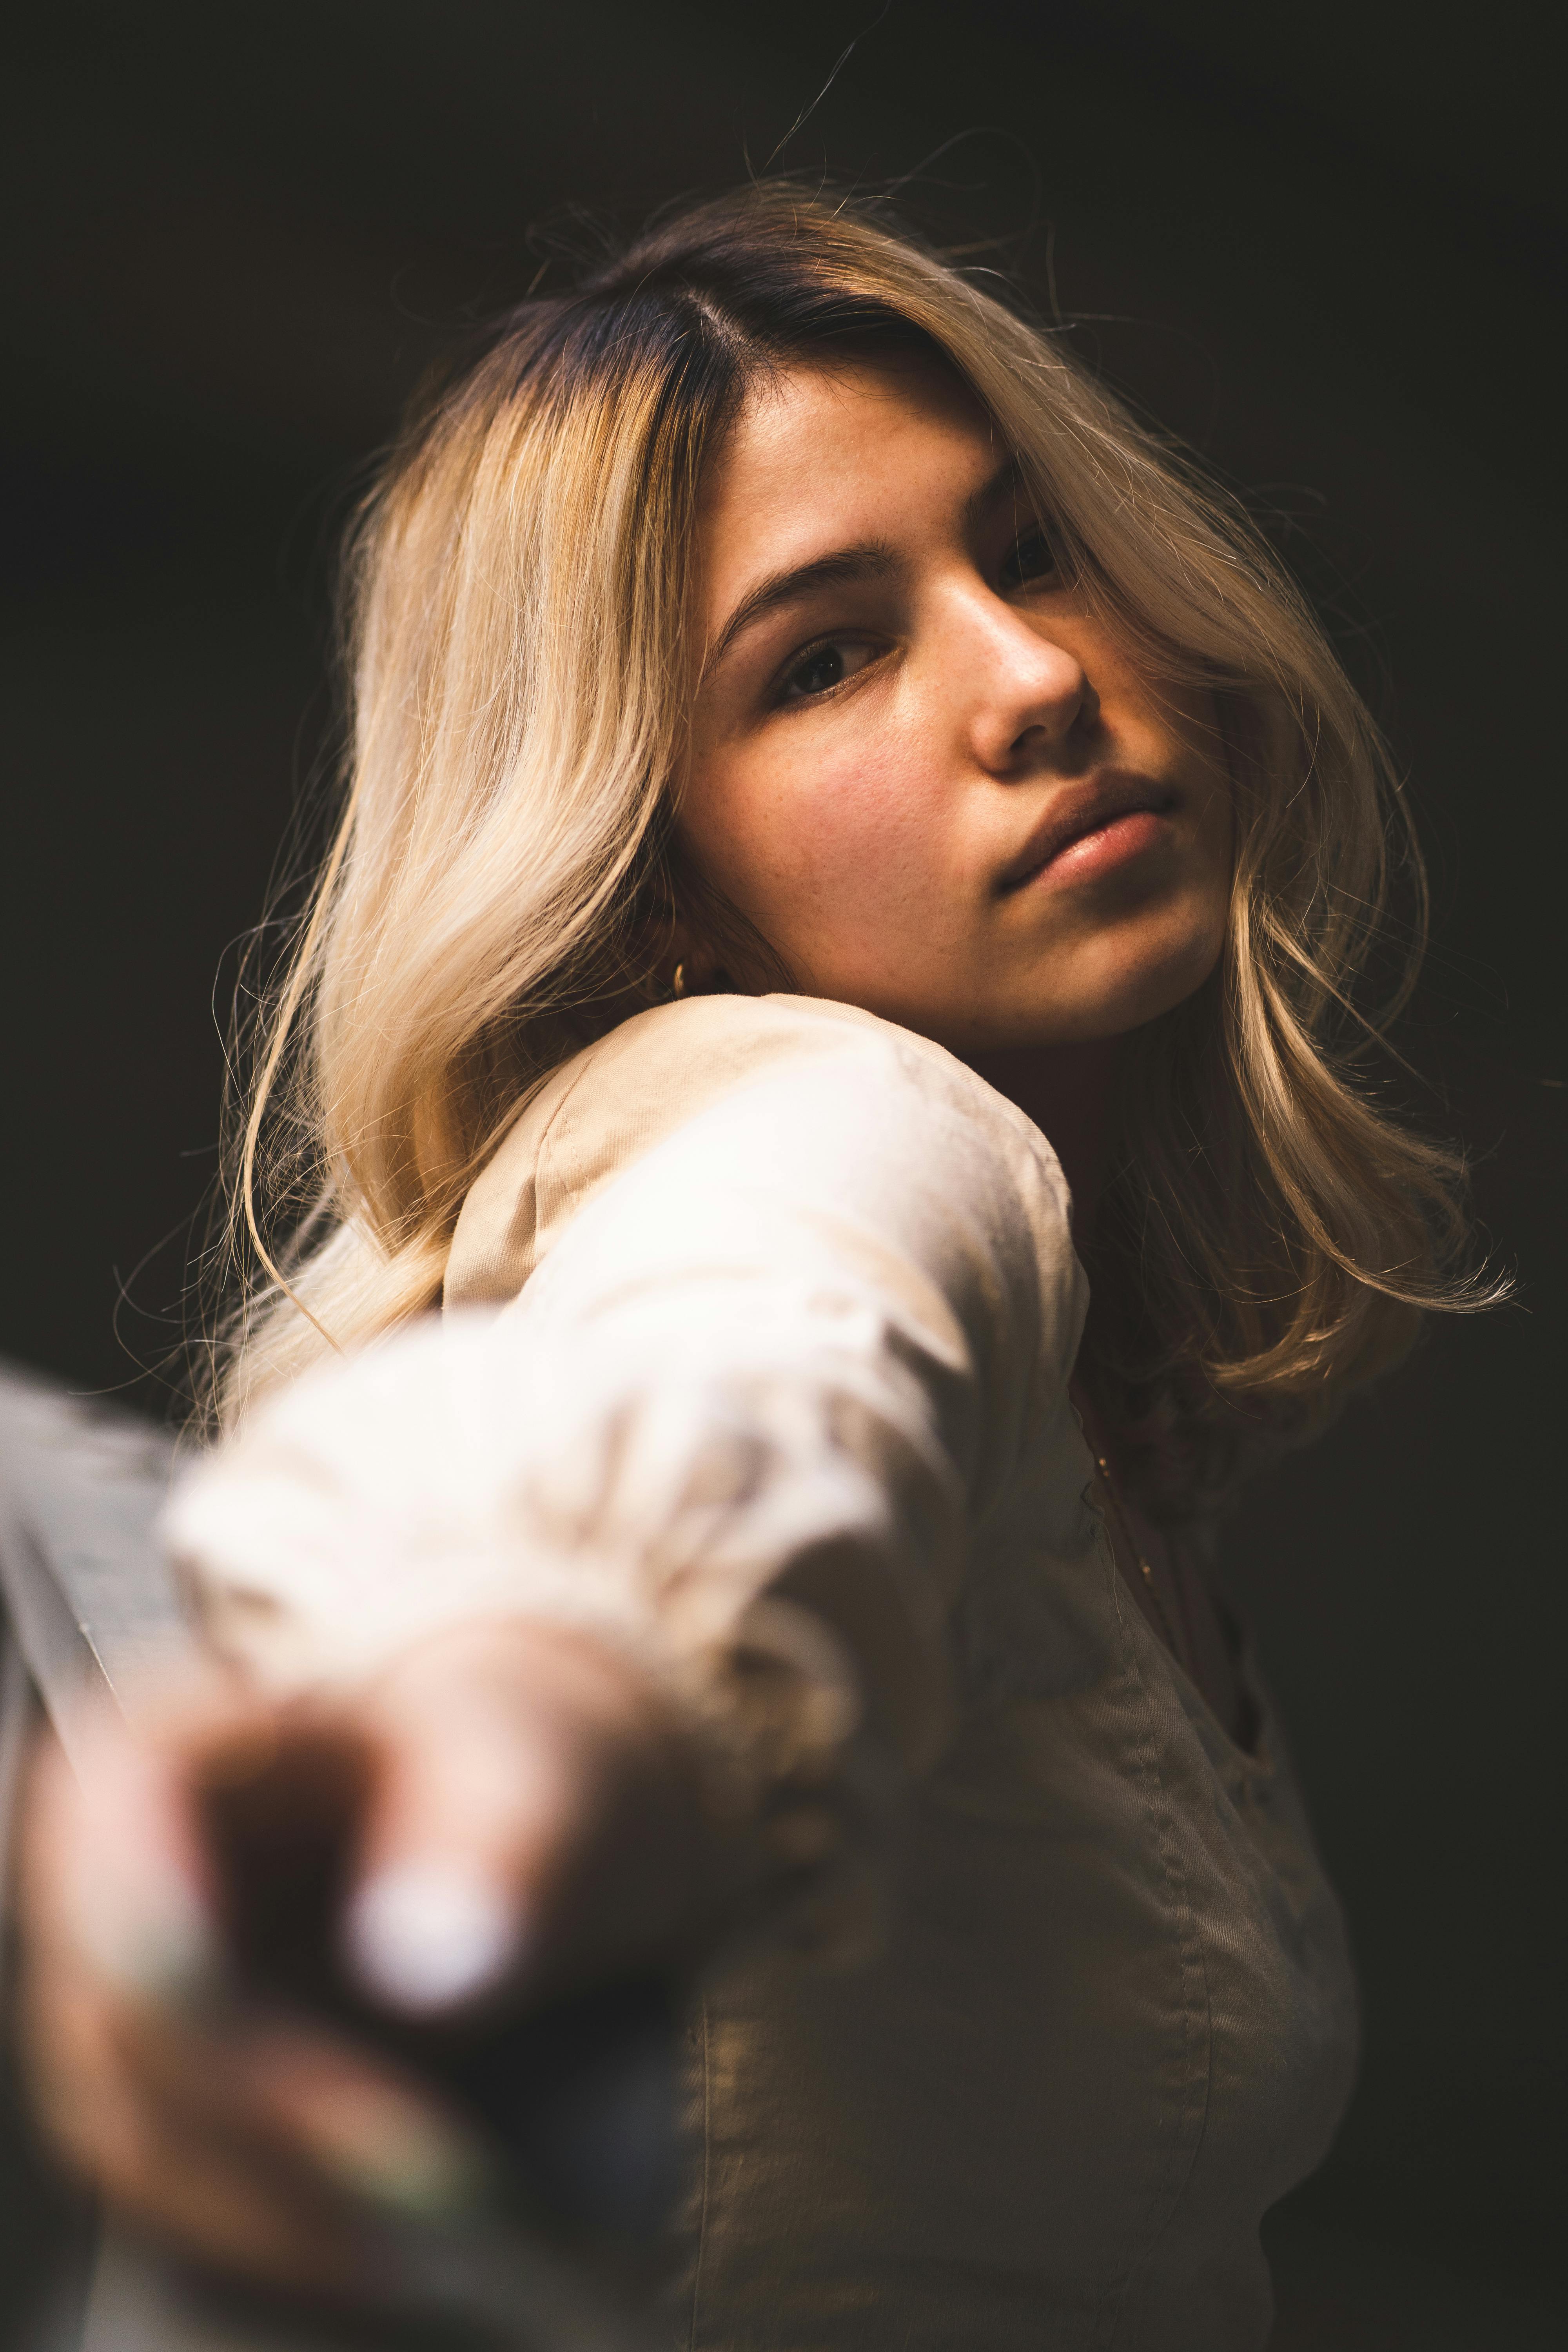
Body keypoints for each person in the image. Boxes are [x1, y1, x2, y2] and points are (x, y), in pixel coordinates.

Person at [19, 187, 1485, 2350]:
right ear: (644, 881)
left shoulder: (1095, 1398)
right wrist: (507, 1742)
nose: (1039, 678)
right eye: (825, 658)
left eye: (1029, 547)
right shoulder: (840, 1125)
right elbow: (718, 1408)